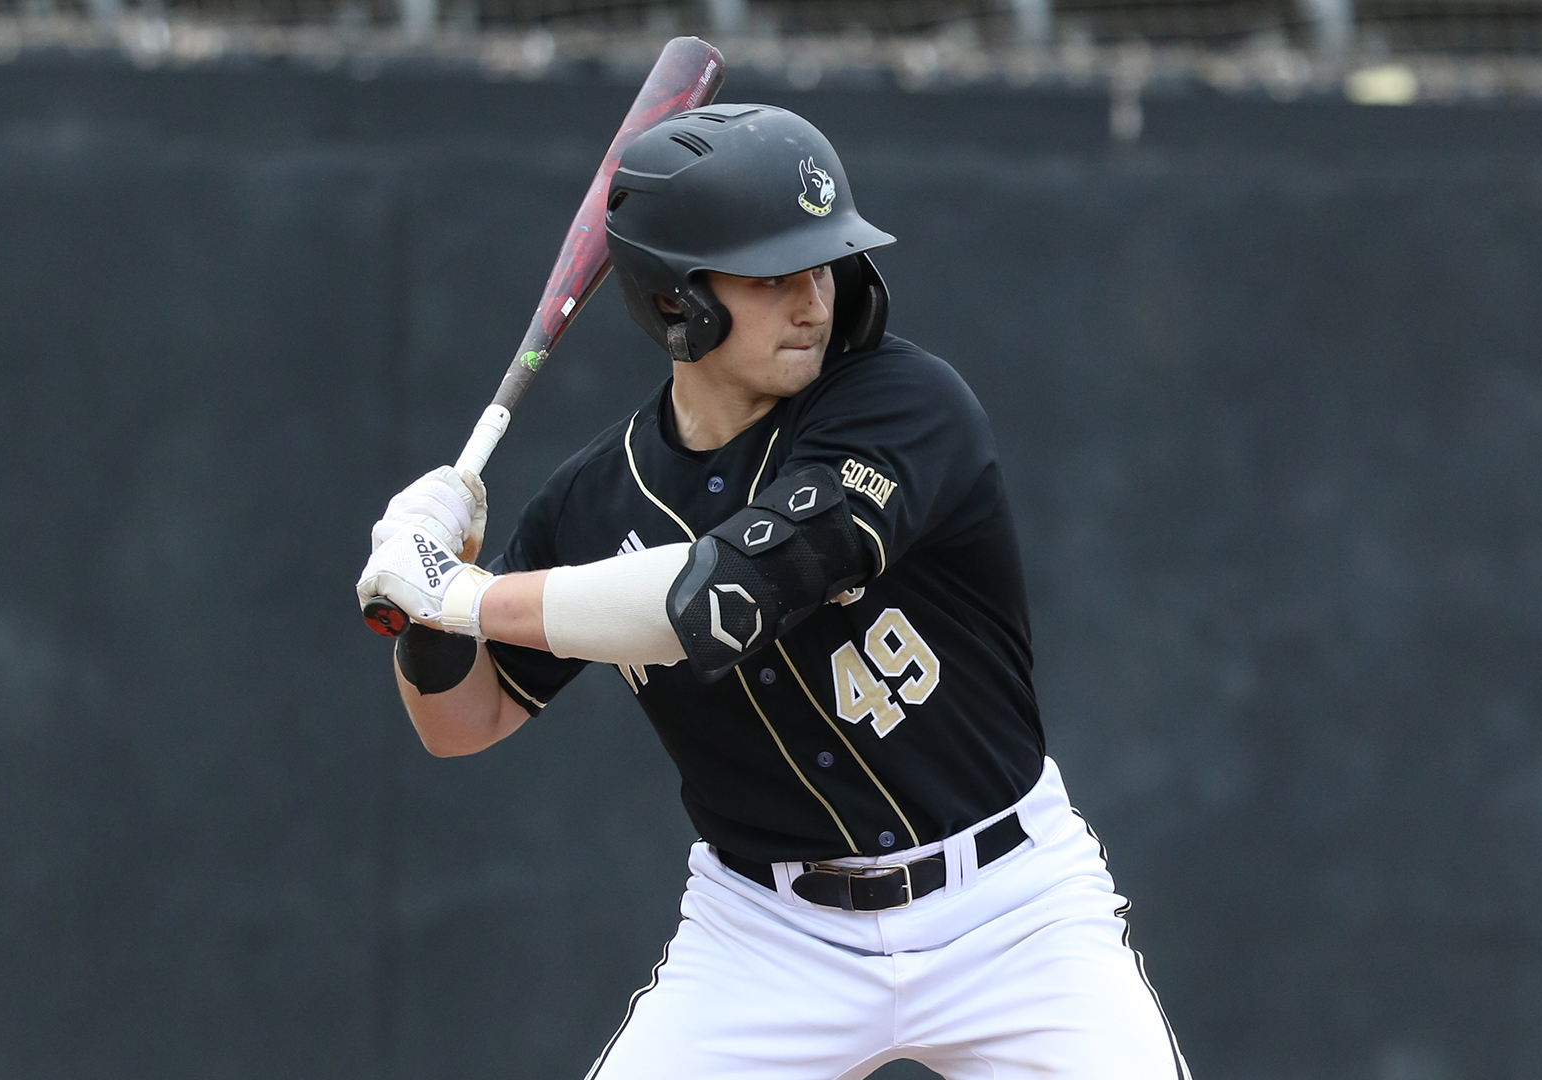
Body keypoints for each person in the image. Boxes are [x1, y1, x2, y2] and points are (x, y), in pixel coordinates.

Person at [355, 103, 1191, 1080]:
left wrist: (459, 594)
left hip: (1008, 911)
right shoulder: (592, 500)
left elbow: (718, 601)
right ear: (677, 300)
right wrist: (424, 605)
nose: (814, 299)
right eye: (773, 274)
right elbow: (463, 720)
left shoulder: (904, 407)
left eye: (825, 261)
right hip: (766, 936)